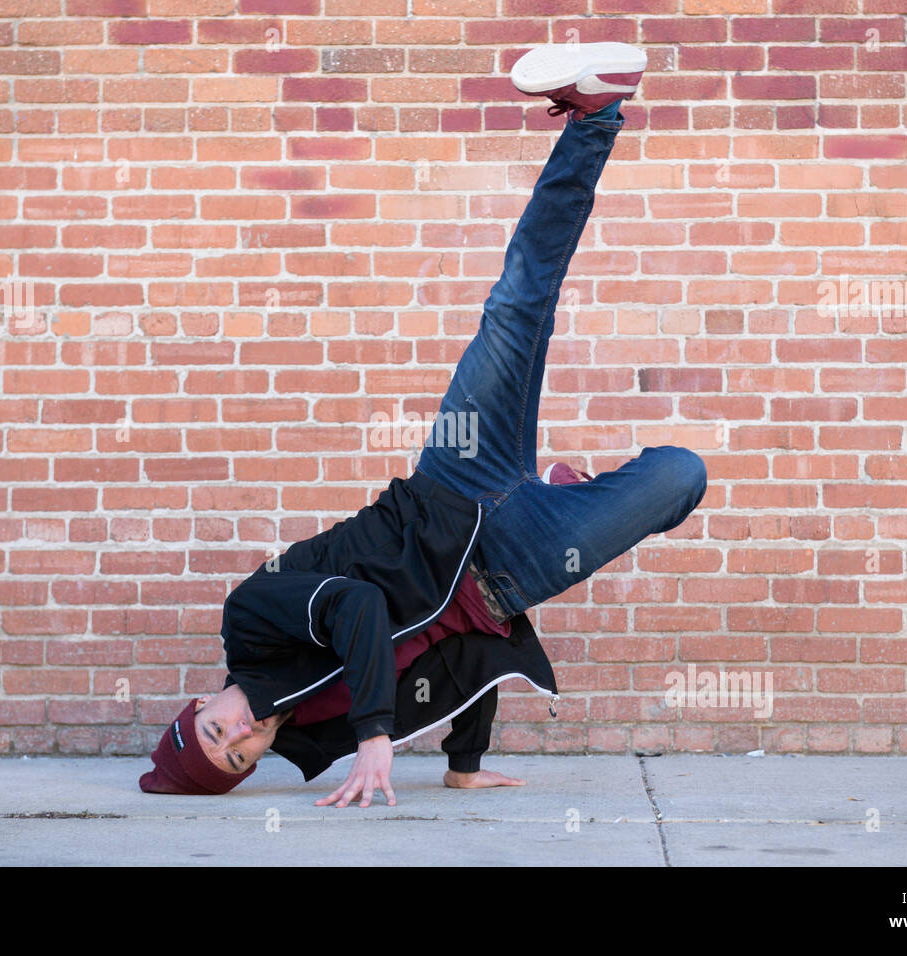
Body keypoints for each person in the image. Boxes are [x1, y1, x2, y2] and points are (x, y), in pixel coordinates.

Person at [139, 41, 708, 807]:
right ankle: (562, 496)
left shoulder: (251, 620)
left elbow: (359, 607)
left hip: (450, 483)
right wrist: (463, 764)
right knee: (681, 474)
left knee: (517, 304)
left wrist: (375, 734)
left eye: (216, 731)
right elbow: (455, 665)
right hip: (505, 571)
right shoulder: (316, 740)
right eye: (239, 758)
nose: (239, 736)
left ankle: (595, 113)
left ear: (202, 703)